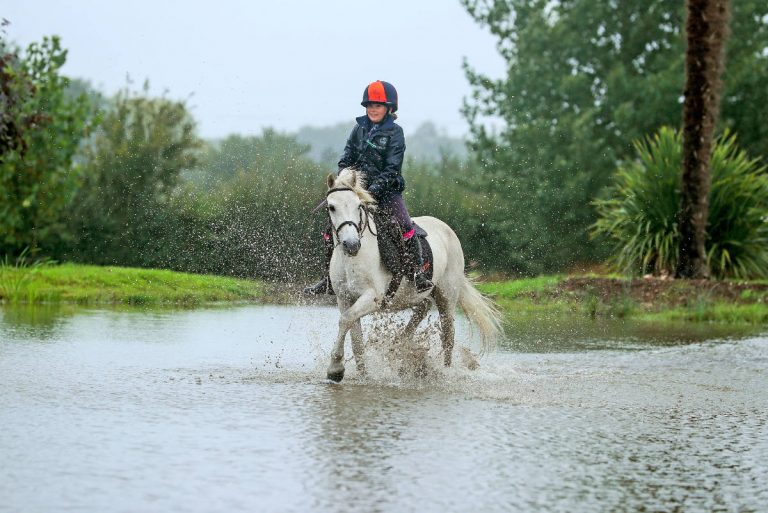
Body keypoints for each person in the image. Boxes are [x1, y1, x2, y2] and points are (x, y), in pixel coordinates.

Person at [304, 80, 434, 295]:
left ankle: (417, 272)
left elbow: (392, 169)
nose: (373, 109)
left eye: (378, 106)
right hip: (355, 191)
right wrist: (345, 180)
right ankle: (328, 278)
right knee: (331, 229)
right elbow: (346, 158)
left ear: (389, 108)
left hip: (387, 191)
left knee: (404, 224)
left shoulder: (395, 132)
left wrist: (372, 191)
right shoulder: (358, 129)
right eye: (370, 105)